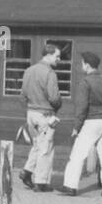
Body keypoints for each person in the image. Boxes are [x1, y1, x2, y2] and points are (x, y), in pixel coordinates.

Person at [59, 51, 102, 196]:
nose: (81, 65)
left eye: (83, 63)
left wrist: (76, 127)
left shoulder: (85, 82)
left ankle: (70, 186)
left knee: (77, 155)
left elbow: (81, 107)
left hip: (90, 121)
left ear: (87, 65)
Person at [18, 42, 63, 192]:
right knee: (46, 148)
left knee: (37, 145)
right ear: (49, 55)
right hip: (45, 114)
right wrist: (57, 105)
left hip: (31, 113)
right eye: (57, 56)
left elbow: (22, 95)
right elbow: (54, 97)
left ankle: (27, 171)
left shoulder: (29, 70)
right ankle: (41, 182)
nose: (59, 59)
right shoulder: (50, 73)